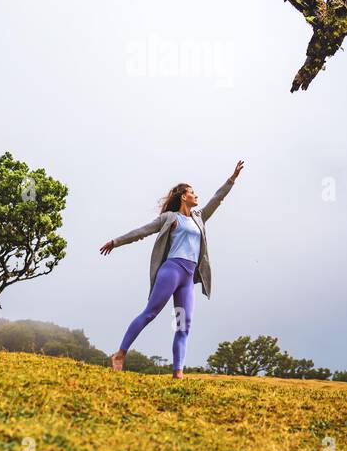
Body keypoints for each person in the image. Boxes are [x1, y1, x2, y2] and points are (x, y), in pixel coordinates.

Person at [100, 161, 244, 378]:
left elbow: (218, 198)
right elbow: (142, 231)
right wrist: (115, 241)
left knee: (183, 325)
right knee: (150, 313)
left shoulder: (199, 218)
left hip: (187, 278)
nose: (197, 195)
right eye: (192, 192)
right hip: (171, 271)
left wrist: (231, 179)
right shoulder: (170, 218)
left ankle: (178, 373)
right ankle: (119, 354)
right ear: (183, 196)